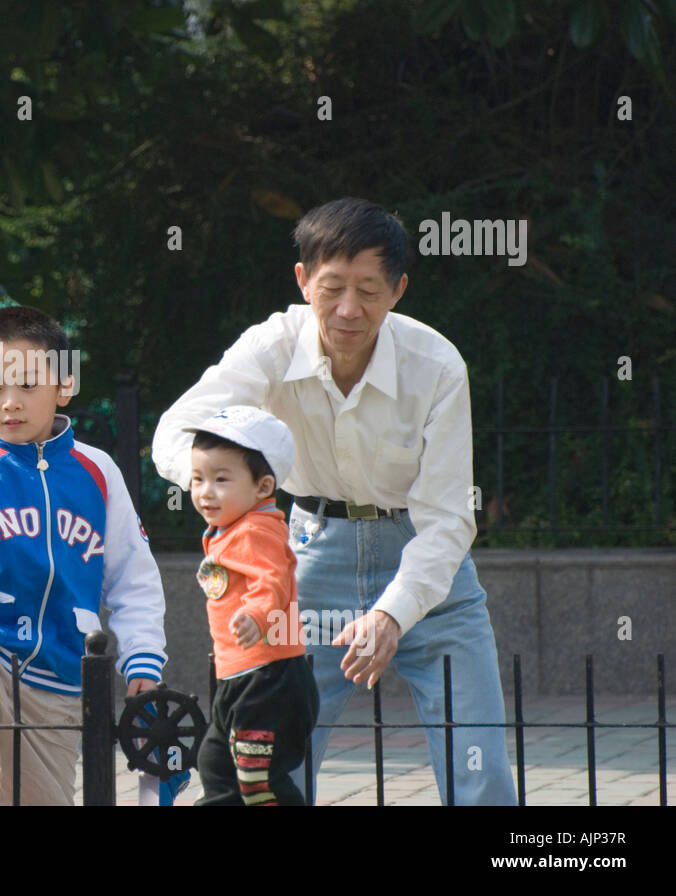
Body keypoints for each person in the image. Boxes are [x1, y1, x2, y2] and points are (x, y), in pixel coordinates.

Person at [152, 197, 517, 805]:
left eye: (370, 290)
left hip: (425, 559)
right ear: (302, 280)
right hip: (304, 559)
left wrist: (393, 613)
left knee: (478, 762)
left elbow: (450, 515)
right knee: (270, 762)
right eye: (332, 288)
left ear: (399, 289)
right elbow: (177, 430)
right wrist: (222, 482)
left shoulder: (437, 365)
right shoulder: (270, 345)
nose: (349, 310)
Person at [0, 307, 167, 805]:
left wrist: (142, 657)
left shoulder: (99, 471)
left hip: (61, 665)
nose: (10, 403)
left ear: (64, 386)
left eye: (27, 386)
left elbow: (132, 575)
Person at [182, 406, 319, 805]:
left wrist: (257, 614)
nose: (205, 491)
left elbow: (272, 579)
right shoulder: (232, 527)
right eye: (197, 479)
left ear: (263, 487)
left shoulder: (257, 529)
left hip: (270, 679)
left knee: (258, 779)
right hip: (241, 677)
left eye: (221, 479)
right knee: (216, 765)